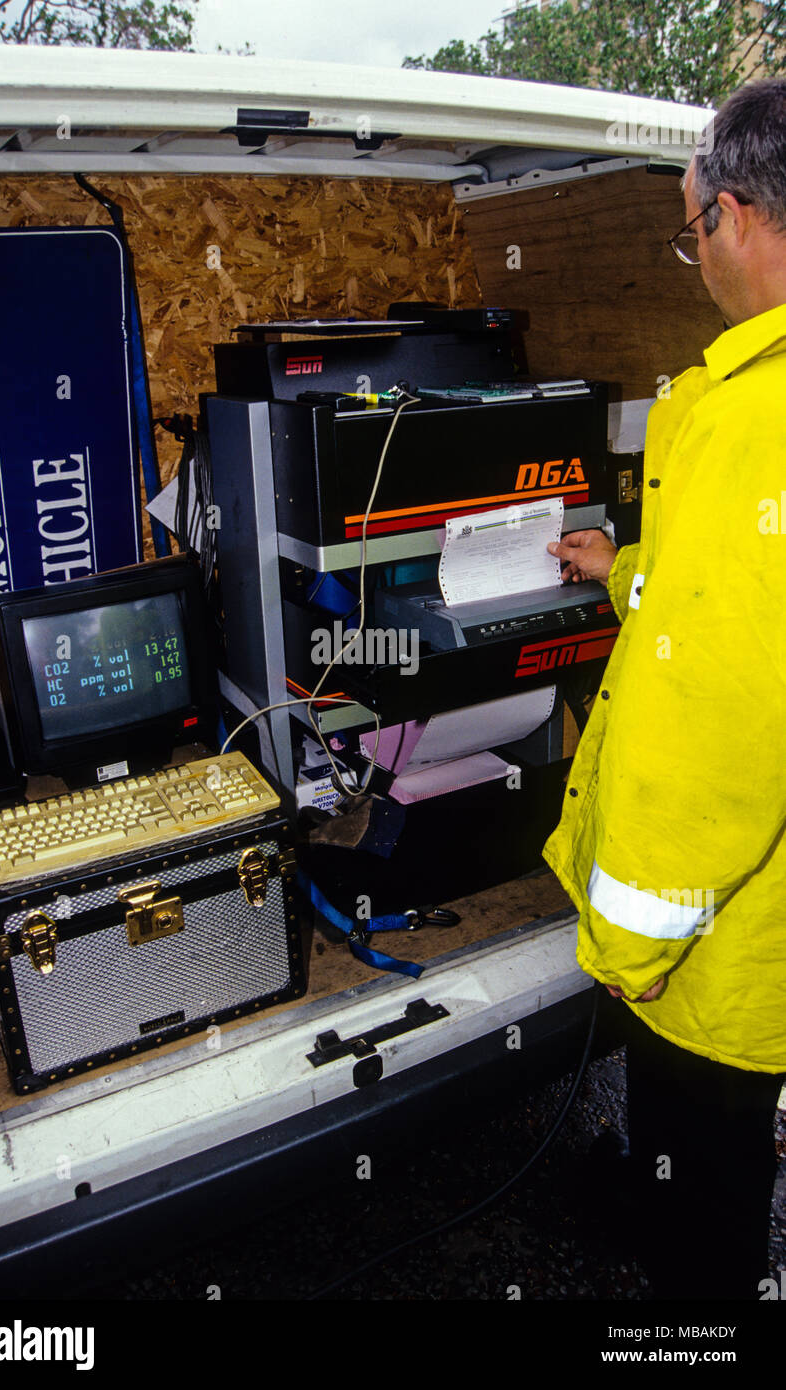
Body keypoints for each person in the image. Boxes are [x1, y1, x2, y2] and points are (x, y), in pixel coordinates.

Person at [543, 78, 786, 1301]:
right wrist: (624, 566)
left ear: (737, 217)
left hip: (719, 956)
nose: (694, 262)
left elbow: (721, 732)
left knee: (712, 1222)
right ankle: (650, 1200)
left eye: (692, 233)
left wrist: (629, 941)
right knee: (699, 1163)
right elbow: (727, 607)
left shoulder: (756, 428)